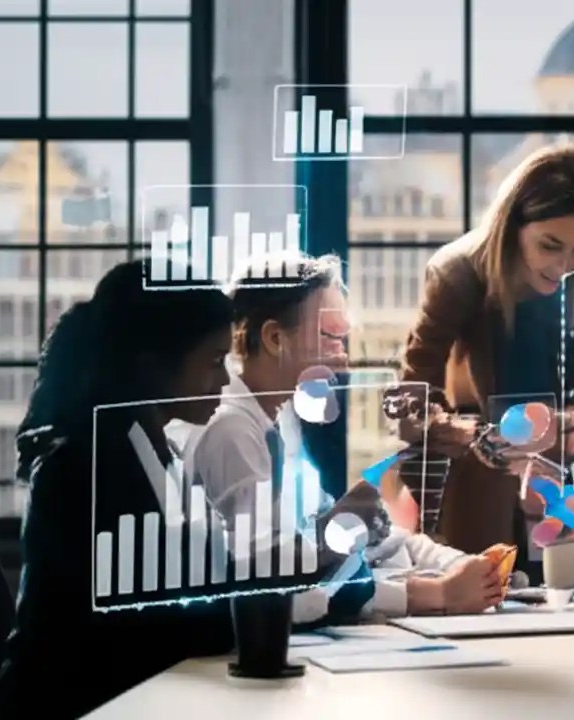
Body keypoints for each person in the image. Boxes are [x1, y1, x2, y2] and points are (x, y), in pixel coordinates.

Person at [185, 252, 504, 622]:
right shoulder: (232, 431)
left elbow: (347, 545)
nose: (342, 354)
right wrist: (437, 593)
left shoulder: (280, 420)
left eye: (343, 337)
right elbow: (277, 578)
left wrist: (468, 568)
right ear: (274, 338)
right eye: (329, 336)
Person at [0, 260, 236, 719]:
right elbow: (142, 626)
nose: (224, 380)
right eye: (215, 361)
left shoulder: (155, 450)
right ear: (151, 366)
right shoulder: (84, 469)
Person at [398, 145, 574, 561]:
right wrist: (467, 434)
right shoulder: (458, 273)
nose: (564, 265)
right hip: (479, 469)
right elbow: (415, 384)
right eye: (550, 245)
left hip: (557, 463)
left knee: (569, 589)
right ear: (512, 227)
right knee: (485, 583)